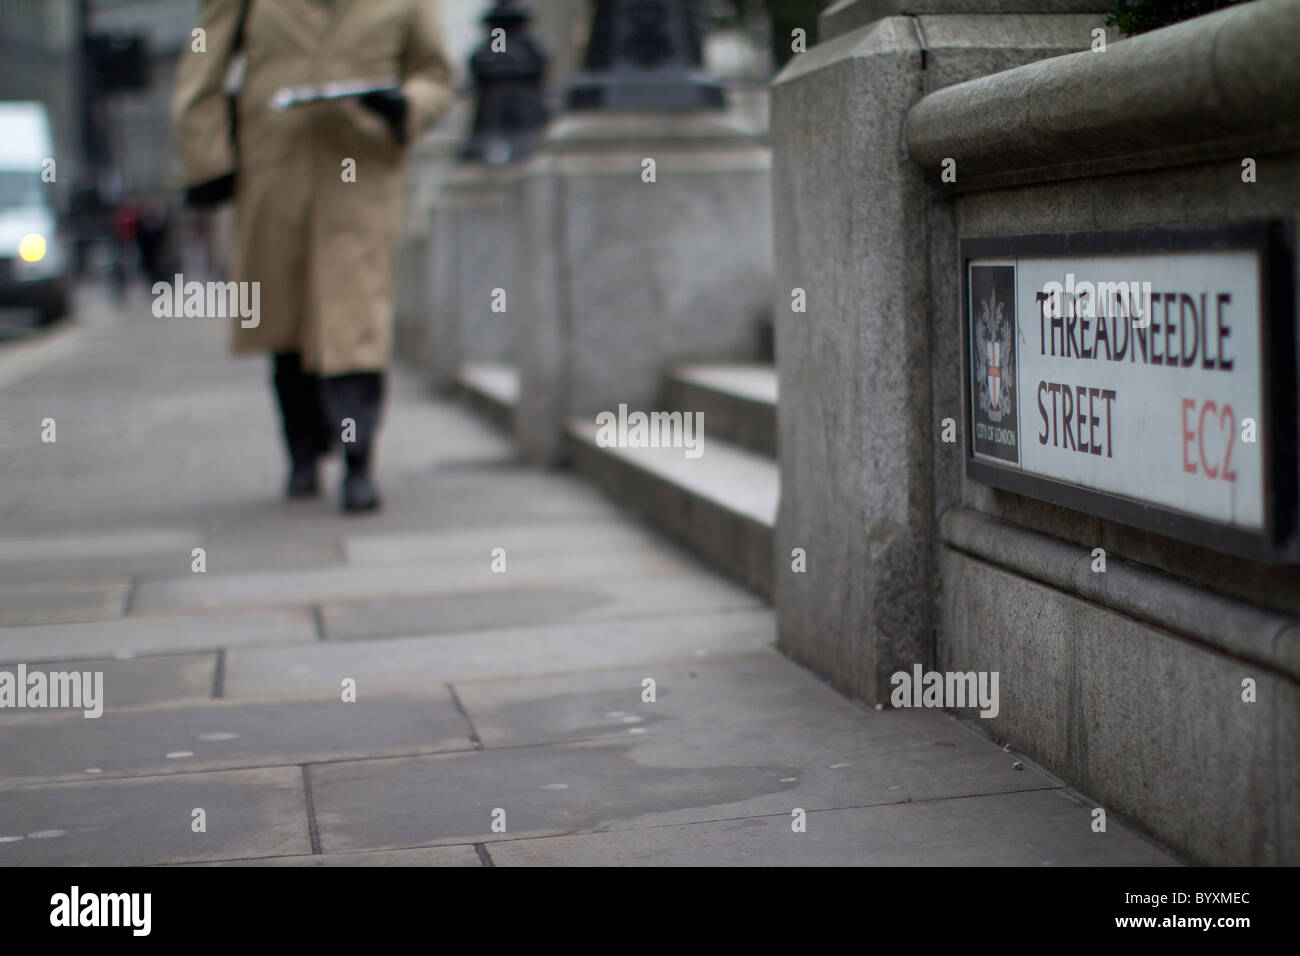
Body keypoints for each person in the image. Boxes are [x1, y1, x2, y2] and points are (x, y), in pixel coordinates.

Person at [172, 0, 453, 512]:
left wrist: (405, 105)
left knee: (356, 321)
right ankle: (302, 454)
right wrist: (208, 161)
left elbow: (434, 74)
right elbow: (201, 67)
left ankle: (358, 460)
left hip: (360, 171)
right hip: (276, 173)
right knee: (288, 318)